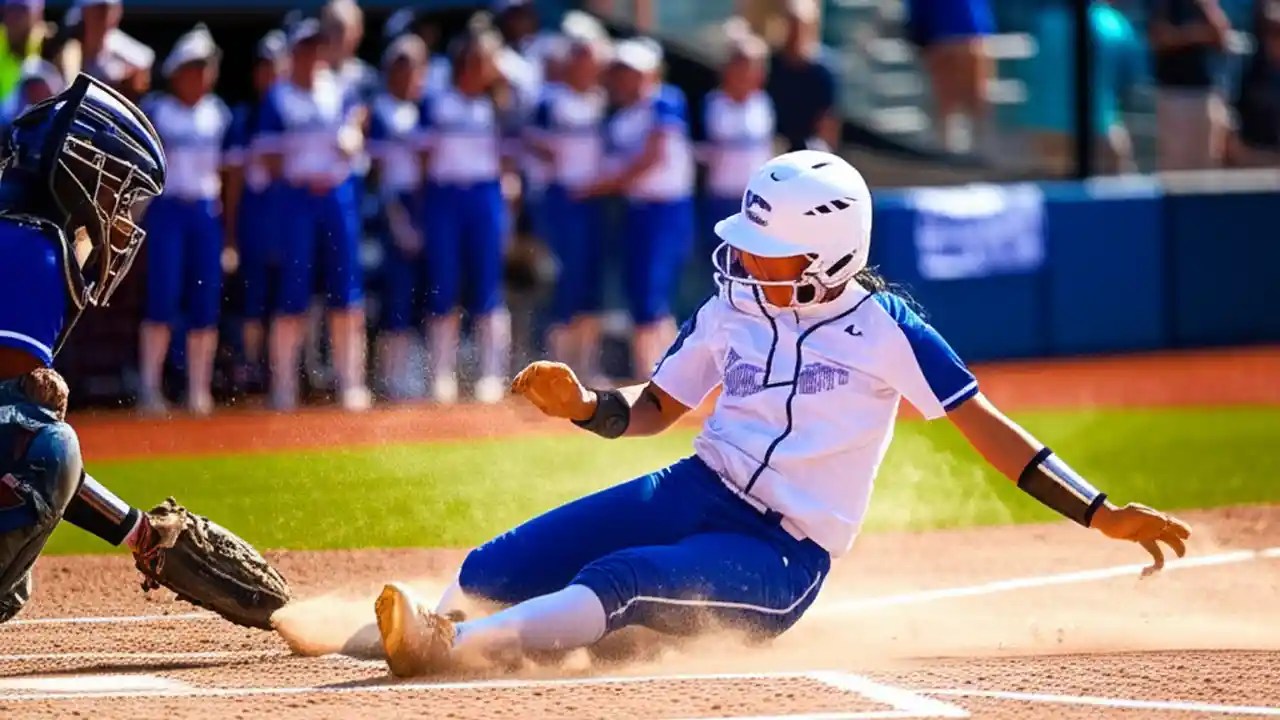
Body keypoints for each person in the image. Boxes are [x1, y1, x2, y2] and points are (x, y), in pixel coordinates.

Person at [369, 150, 1193, 676]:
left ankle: (452, 651)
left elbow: (992, 433)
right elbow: (655, 408)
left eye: (765, 249)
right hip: (696, 487)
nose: (741, 257)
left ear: (827, 254)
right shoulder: (730, 308)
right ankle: (408, 628)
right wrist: (585, 406)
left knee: (618, 582)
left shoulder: (886, 330)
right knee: (495, 564)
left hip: (783, 553)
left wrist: (1099, 511)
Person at [0, 73, 288, 628]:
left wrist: (138, 534)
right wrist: (138, 532)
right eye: (113, 186)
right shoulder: (31, 250)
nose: (120, 210)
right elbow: (30, 449)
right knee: (50, 443)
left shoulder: (16, 233)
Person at [253, 18, 371, 412]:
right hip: (297, 196)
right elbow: (267, 157)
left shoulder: (339, 89)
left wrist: (352, 135)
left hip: (336, 196)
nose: (311, 56)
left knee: (346, 290)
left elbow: (358, 123)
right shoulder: (278, 96)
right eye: (303, 48)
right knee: (293, 290)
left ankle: (350, 382)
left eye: (316, 48)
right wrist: (298, 173)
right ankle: (283, 385)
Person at [581, 38, 694, 381]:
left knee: (651, 292)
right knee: (642, 293)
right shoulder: (618, 116)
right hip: (637, 211)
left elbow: (653, 158)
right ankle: (661, 371)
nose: (624, 79)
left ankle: (659, 375)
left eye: (631, 72)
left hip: (666, 211)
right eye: (620, 71)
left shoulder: (666, 100)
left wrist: (599, 187)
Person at [416, 23, 513, 405]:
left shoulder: (498, 105)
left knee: (487, 283)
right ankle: (441, 374)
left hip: (485, 195)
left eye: (487, 61)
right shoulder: (437, 101)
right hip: (445, 195)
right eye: (477, 59)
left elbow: (509, 157)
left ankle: (492, 374)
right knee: (443, 282)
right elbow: (422, 159)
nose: (482, 67)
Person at [136, 25, 229, 416]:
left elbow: (232, 173)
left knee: (205, 300)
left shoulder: (219, 114)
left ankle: (198, 390)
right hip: (167, 210)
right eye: (192, 68)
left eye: (205, 68)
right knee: (162, 296)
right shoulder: (158, 111)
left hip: (206, 212)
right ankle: (149, 388)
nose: (199, 76)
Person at [525, 32, 608, 383]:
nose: (586, 68)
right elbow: (529, 139)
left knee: (592, 281)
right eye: (580, 60)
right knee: (563, 279)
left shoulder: (603, 101)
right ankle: (557, 369)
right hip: (561, 200)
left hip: (595, 200)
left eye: (592, 61)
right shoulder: (549, 100)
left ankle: (587, 366)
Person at [222, 29, 286, 392]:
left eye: (275, 68)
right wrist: (230, 236)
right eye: (264, 68)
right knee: (253, 299)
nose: (270, 76)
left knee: (288, 299)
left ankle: (283, 373)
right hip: (254, 220)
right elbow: (232, 184)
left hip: (288, 219)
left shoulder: (292, 112)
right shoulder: (243, 118)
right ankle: (252, 369)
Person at [1022, 0, 1143, 176]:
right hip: (1100, 127)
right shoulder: (1113, 24)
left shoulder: (1045, 22)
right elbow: (1133, 76)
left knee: (1057, 197)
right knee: (1115, 195)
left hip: (1046, 129)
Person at [369, 34, 427, 401]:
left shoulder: (426, 109)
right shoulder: (379, 112)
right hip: (389, 207)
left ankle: (411, 373)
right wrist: (396, 218)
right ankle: (388, 376)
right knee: (395, 294)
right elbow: (375, 173)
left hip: (425, 206)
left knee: (426, 294)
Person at [699, 32, 774, 281]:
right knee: (717, 271)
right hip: (719, 200)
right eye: (739, 65)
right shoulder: (710, 103)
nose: (746, 74)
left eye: (752, 67)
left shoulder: (764, 104)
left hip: (756, 204)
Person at [1148, 0, 1233, 170]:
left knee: (1208, 162)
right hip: (1173, 94)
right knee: (1175, 164)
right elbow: (1161, 37)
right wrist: (1195, 34)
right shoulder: (1167, 5)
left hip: (1205, 93)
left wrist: (1206, 7)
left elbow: (1221, 36)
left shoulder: (1205, 5)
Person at [903, 0, 995, 153]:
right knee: (950, 102)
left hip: (963, 33)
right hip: (946, 34)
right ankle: (950, 149)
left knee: (972, 99)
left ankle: (976, 149)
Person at [766, 0, 839, 154]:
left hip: (808, 150)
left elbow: (827, 121)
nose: (795, 34)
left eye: (800, 27)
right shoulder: (770, 66)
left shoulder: (822, 73)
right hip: (772, 147)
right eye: (791, 26)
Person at [0, 0, 50, 103]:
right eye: (11, 10)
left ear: (37, 15)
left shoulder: (52, 44)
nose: (14, 18)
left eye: (22, 11)